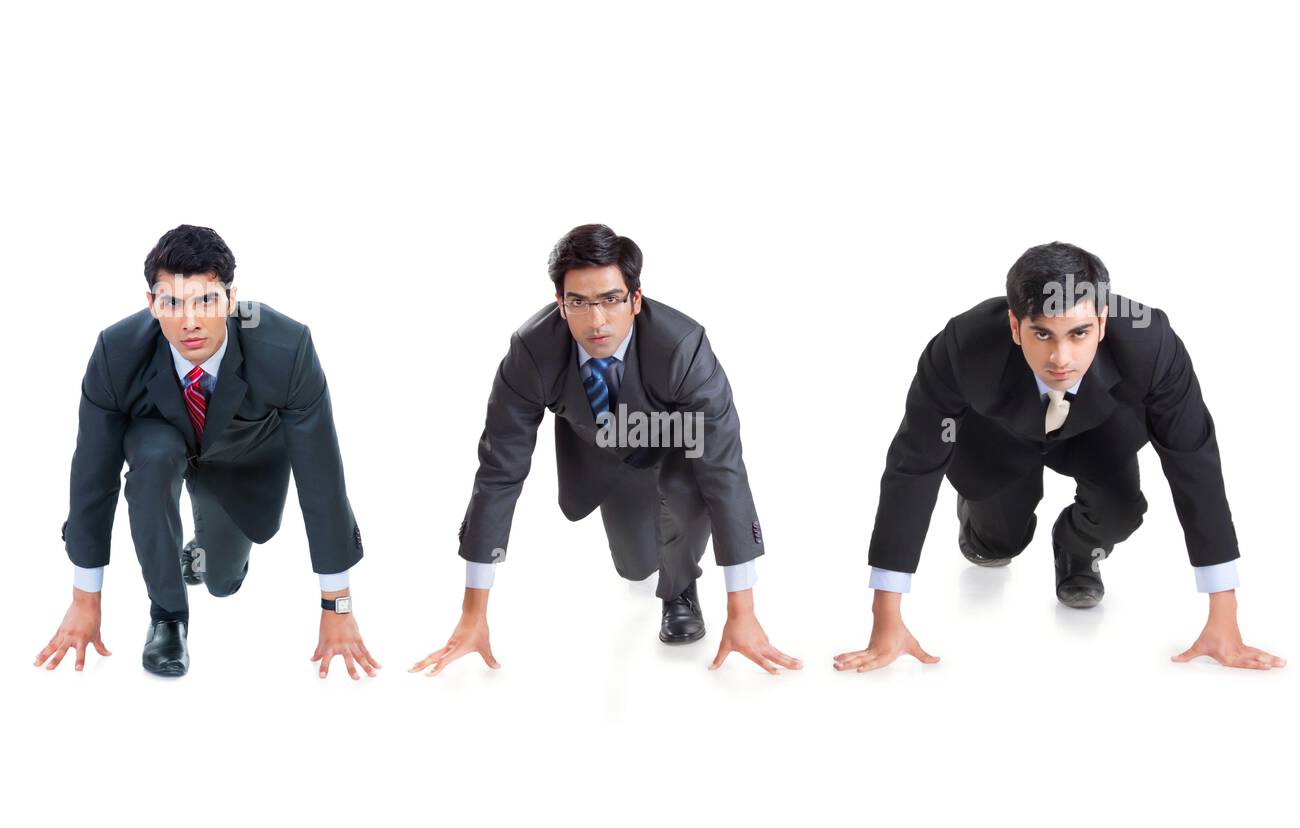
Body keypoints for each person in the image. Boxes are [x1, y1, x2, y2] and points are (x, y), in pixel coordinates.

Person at [836, 241, 1285, 673]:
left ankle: (1076, 550)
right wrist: (885, 619)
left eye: (1079, 333)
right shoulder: (960, 347)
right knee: (996, 545)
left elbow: (1193, 458)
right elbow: (914, 463)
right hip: (999, 431)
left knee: (1122, 510)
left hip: (1099, 428)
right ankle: (984, 524)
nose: (1060, 358)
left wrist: (1223, 616)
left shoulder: (1153, 343)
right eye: (1042, 334)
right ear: (1015, 327)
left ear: (1103, 324)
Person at [411, 224, 799, 675]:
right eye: (579, 302)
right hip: (602, 456)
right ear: (560, 304)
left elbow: (724, 468)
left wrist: (743, 612)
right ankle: (653, 544)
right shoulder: (531, 352)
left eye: (611, 300)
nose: (596, 321)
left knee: (688, 494)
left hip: (677, 445)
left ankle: (679, 590)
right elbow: (499, 470)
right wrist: (472, 614)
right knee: (636, 569)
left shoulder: (683, 348)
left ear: (635, 300)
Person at [37, 224, 377, 679]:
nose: (190, 320)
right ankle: (168, 618)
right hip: (161, 447)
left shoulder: (286, 348)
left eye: (205, 300)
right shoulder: (116, 353)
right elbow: (92, 477)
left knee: (222, 582)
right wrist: (84, 600)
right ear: (151, 304)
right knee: (154, 458)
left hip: (244, 460)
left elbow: (321, 476)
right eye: (172, 302)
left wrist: (338, 606)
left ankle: (204, 548)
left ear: (231, 301)